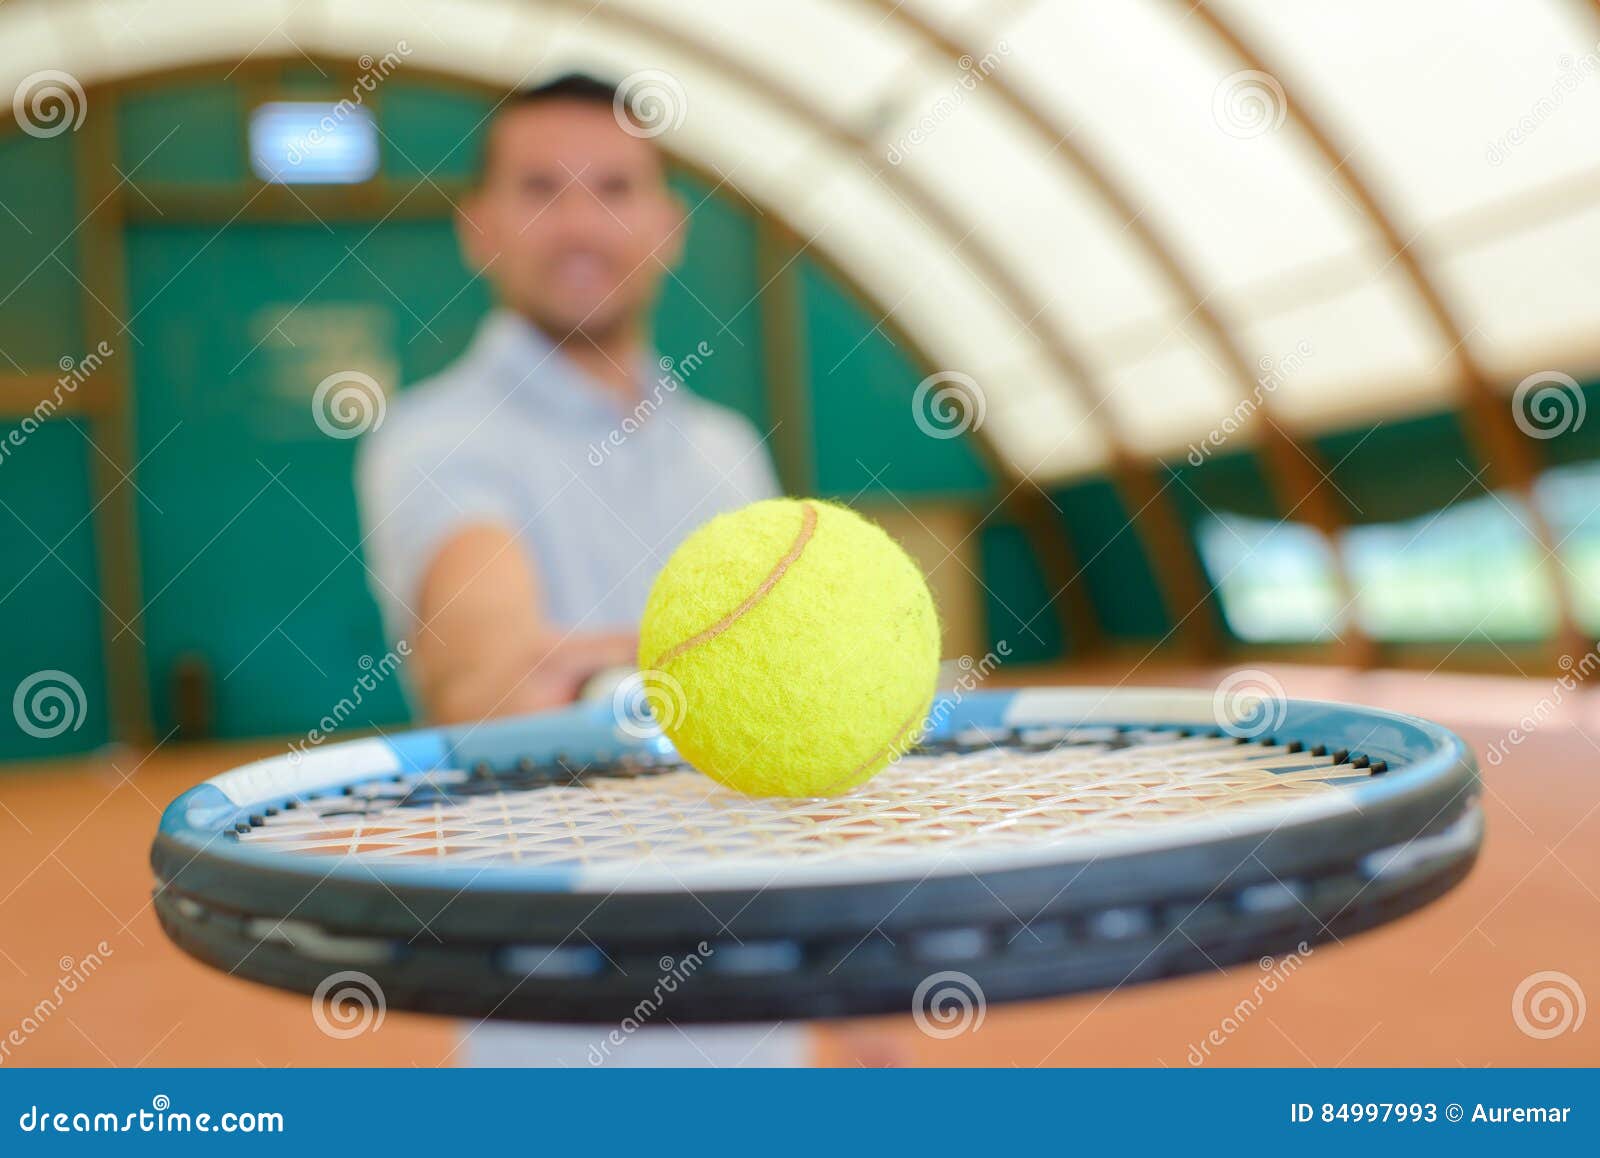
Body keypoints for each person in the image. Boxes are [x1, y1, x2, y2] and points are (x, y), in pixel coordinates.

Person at [355, 74, 793, 1066]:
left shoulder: (727, 451)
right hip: (551, 1014)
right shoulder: (431, 440)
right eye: (541, 188)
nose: (579, 222)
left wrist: (849, 980)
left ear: (669, 226)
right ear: (479, 226)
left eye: (614, 187)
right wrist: (724, 679)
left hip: (759, 989)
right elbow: (496, 687)